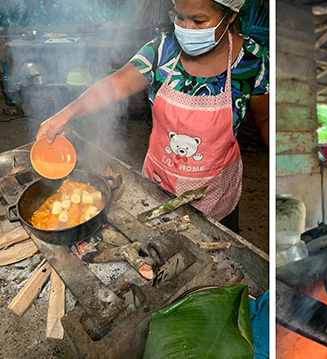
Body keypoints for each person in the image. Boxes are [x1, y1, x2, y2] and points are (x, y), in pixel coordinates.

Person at [36, 0, 269, 233]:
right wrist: (66, 113)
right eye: (179, 17)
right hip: (159, 185)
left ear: (229, 16)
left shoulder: (252, 61)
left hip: (215, 195)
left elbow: (267, 120)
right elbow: (114, 85)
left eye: (199, 21)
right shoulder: (161, 50)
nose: (186, 29)